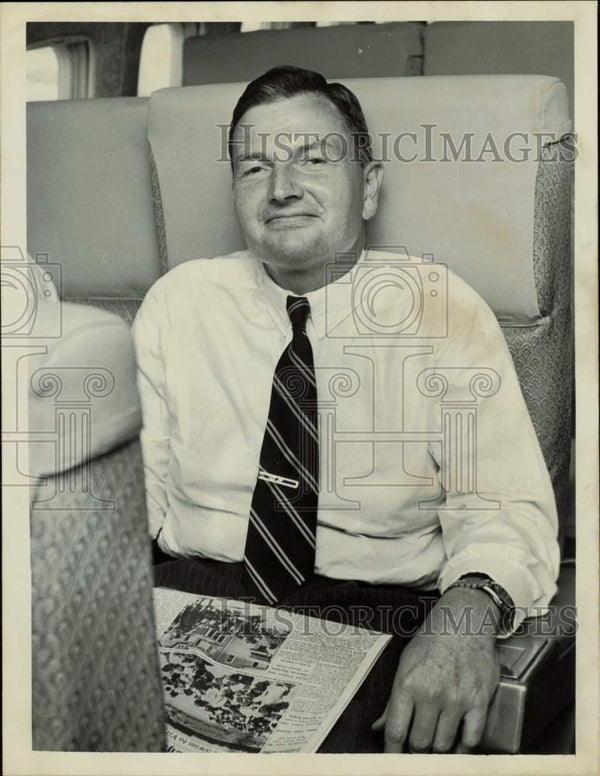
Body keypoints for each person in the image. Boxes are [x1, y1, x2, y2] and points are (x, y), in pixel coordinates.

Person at [133, 66, 559, 753]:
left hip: (369, 607)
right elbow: (139, 495)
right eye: (253, 168)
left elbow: (506, 507)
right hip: (191, 586)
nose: (281, 189)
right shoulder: (178, 303)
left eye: (313, 160)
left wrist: (467, 615)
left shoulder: (441, 307)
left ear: (369, 188)